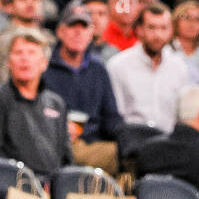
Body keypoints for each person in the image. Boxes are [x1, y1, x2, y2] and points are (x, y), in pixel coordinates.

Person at [45, 9, 123, 174]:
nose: (78, 32)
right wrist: (60, 128)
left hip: (94, 144)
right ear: (60, 31)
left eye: (84, 27)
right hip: (54, 141)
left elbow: (111, 117)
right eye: (73, 26)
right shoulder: (44, 67)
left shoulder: (99, 69)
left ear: (91, 34)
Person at [0, 28, 72, 179]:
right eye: (18, 52)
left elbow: (66, 158)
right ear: (9, 62)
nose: (24, 59)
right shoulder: (2, 98)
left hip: (51, 186)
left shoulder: (56, 103)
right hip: (13, 186)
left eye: (31, 53)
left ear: (44, 63)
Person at [106, 2, 190, 132]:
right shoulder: (117, 66)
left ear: (171, 30)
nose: (158, 35)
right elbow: (114, 115)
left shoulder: (179, 67)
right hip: (131, 142)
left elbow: (183, 113)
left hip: (169, 143)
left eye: (163, 28)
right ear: (139, 29)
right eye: (152, 27)